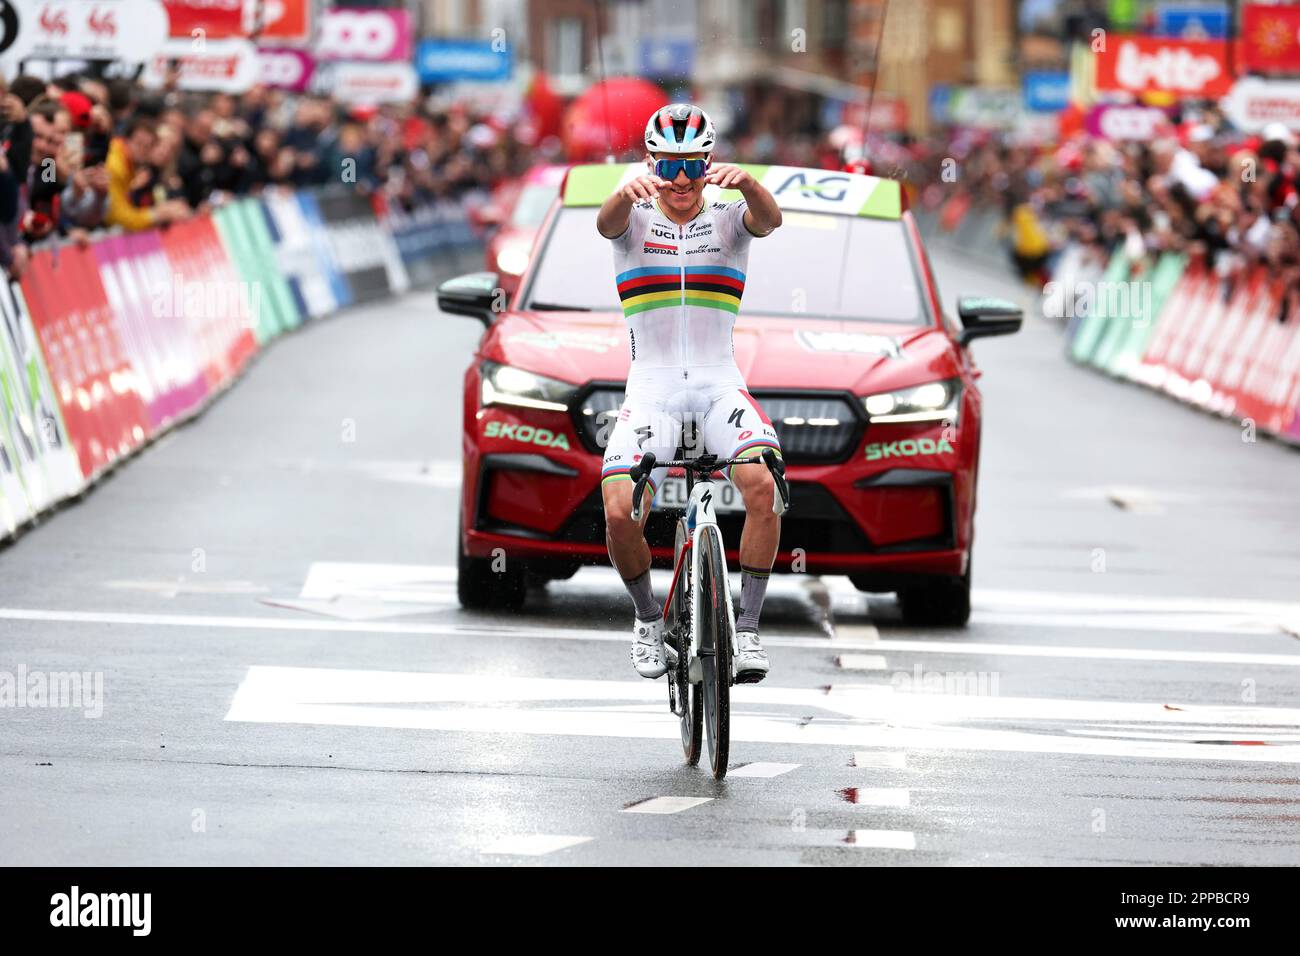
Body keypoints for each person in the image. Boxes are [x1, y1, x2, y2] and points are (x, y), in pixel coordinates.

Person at [595, 103, 783, 682]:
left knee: (766, 488)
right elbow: (605, 225)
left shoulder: (730, 219)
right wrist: (626, 193)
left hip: (717, 384)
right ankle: (649, 619)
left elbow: (770, 222)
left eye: (693, 166)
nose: (680, 179)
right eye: (669, 164)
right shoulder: (634, 219)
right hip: (651, 391)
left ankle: (746, 630)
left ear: (709, 164)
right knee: (620, 509)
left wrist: (750, 182)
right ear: (652, 162)